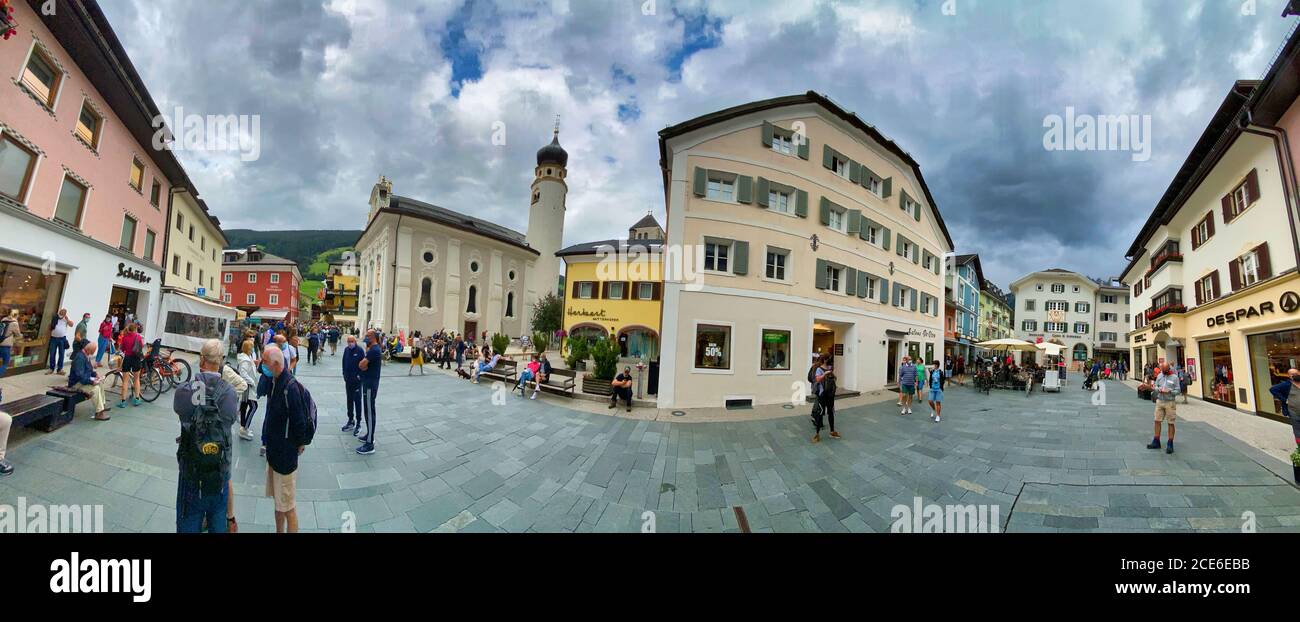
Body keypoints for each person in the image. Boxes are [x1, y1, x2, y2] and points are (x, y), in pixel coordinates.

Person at [172, 340, 239, 533]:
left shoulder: (185, 390)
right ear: (221, 361)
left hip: (192, 470)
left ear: (202, 359)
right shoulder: (230, 393)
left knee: (188, 523)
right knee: (218, 522)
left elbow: (181, 410)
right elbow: (230, 419)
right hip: (219, 469)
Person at [259, 346, 314, 533]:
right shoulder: (275, 381)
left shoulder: (289, 387)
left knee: (288, 506)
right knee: (279, 503)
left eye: (264, 361)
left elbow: (299, 422)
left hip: (284, 456)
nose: (261, 363)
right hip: (275, 453)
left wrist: (299, 444)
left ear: (275, 364)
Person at [68, 341, 111, 421]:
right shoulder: (80, 358)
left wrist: (95, 375)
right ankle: (99, 412)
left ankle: (102, 405)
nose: (92, 354)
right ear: (88, 350)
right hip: (76, 384)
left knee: (100, 384)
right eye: (92, 352)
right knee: (95, 389)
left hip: (82, 381)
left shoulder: (85, 355)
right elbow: (80, 376)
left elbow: (89, 370)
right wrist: (92, 382)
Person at [357, 331, 382, 455]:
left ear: (373, 337)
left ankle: (370, 443)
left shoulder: (374, 350)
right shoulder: (373, 349)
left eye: (367, 336)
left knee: (369, 413)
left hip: (369, 385)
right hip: (369, 384)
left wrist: (363, 365)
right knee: (367, 411)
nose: (365, 337)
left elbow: (362, 364)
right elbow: (363, 365)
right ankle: (369, 434)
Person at [1148, 363, 1180, 454]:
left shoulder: (1175, 377)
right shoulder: (1159, 376)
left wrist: (1169, 391)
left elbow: (1178, 390)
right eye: (1162, 369)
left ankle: (1170, 443)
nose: (1163, 372)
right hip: (1160, 401)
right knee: (1157, 420)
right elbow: (1155, 386)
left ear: (1168, 369)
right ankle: (1156, 441)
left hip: (1170, 402)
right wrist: (1159, 389)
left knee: (1170, 422)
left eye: (1165, 370)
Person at [1268, 369, 1300, 446]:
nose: (1295, 375)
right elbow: (1273, 389)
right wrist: (1284, 400)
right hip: (1294, 412)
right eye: (1292, 374)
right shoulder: (1286, 385)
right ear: (1289, 376)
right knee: (1298, 431)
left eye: (1296, 373)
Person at [235, 339, 259, 441]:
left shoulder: (246, 357)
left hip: (247, 387)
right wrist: (252, 382)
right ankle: (244, 428)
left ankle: (243, 427)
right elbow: (243, 373)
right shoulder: (245, 360)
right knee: (254, 406)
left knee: (244, 406)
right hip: (248, 387)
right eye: (252, 347)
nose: (253, 348)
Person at [811, 354, 839, 442]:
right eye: (828, 359)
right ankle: (817, 434)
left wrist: (832, 375)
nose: (830, 361)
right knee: (820, 413)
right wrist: (825, 374)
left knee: (831, 413)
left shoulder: (830, 368)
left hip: (830, 394)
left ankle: (832, 431)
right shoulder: (819, 369)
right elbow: (818, 379)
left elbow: (834, 379)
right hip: (822, 394)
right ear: (824, 360)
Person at [117, 323, 145, 408]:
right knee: (136, 379)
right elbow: (142, 346)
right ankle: (137, 399)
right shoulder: (138, 337)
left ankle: (123, 401)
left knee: (125, 381)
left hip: (127, 359)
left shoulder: (125, 337)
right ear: (135, 329)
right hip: (136, 359)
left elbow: (122, 349)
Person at [342, 334, 365, 434]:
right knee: (349, 401)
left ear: (355, 342)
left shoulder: (360, 351)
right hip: (348, 381)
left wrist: (360, 376)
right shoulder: (346, 350)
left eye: (351, 341)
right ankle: (351, 420)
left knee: (357, 401)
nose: (350, 343)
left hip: (357, 382)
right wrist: (344, 374)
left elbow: (364, 364)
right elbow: (344, 362)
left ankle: (359, 422)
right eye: (348, 341)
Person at [46, 308, 72, 376]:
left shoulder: (65, 319)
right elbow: (50, 327)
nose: (61, 314)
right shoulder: (55, 318)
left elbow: (71, 324)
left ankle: (59, 369)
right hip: (53, 338)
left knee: (61, 354)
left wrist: (67, 319)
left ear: (65, 314)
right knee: (52, 353)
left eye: (63, 313)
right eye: (61, 312)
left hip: (62, 339)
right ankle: (51, 368)